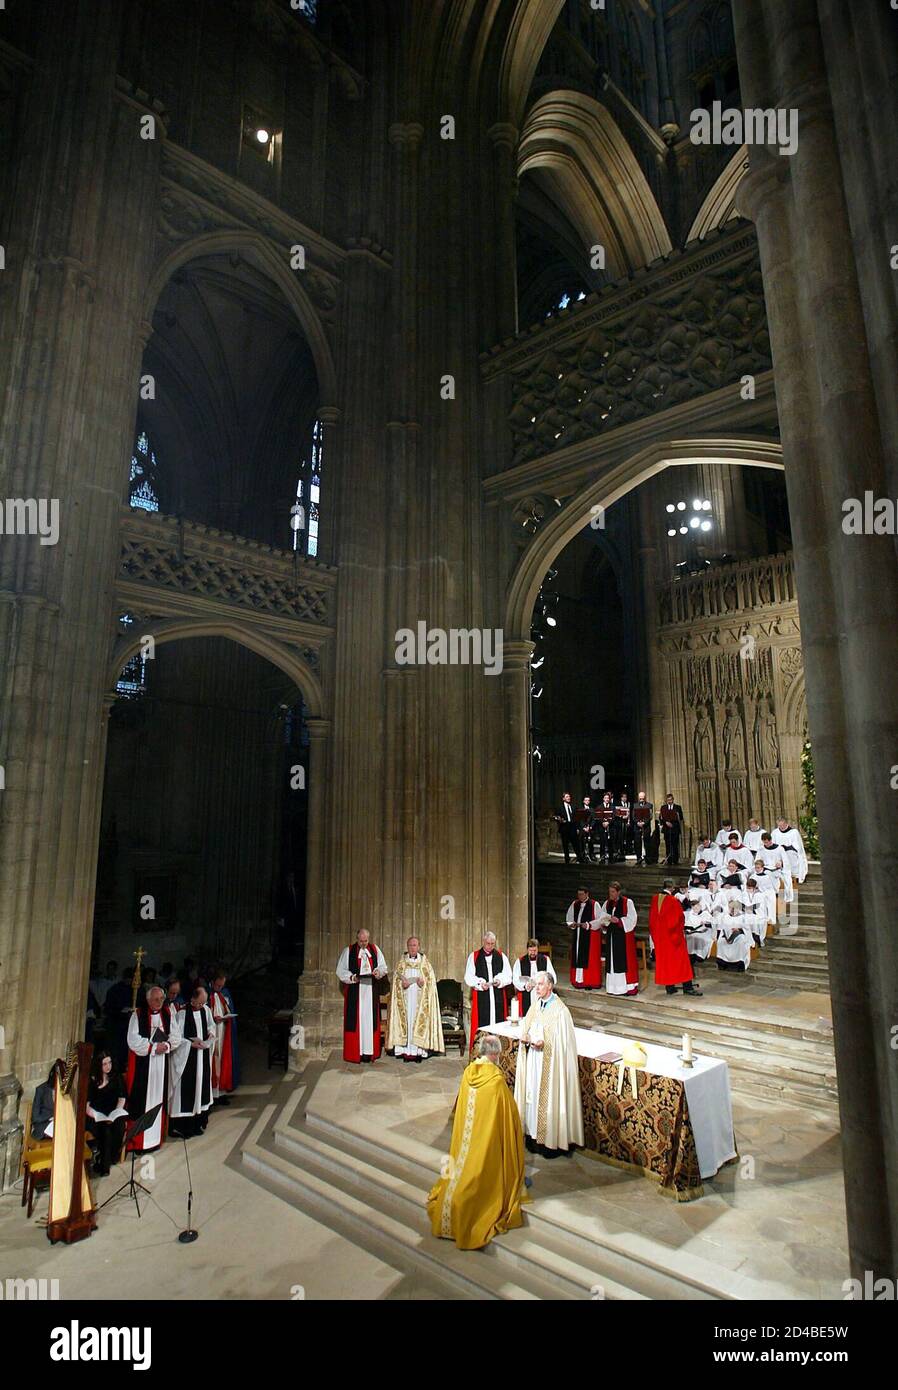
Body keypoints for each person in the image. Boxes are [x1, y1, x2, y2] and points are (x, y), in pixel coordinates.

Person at [426, 1035, 526, 1250]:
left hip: (464, 1144)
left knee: (458, 1176)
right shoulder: (495, 1081)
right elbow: (508, 1117)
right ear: (495, 1054)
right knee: (479, 1183)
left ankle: (451, 1203)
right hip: (484, 1144)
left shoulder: (467, 1073)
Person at [514, 972, 584, 1157]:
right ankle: (533, 1135)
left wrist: (545, 1043)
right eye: (536, 984)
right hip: (534, 1061)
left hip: (551, 1065)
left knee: (548, 1098)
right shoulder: (536, 1005)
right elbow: (527, 1027)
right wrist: (527, 1037)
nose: (536, 987)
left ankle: (549, 1141)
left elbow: (563, 1044)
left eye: (540, 984)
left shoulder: (560, 1011)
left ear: (550, 986)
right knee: (533, 1095)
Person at [126, 983, 181, 1153]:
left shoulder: (168, 1012)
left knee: (158, 1099)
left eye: (162, 999)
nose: (159, 1002)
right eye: (156, 999)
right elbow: (133, 1040)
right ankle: (139, 1142)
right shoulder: (138, 1014)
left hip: (161, 1065)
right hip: (145, 1064)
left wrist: (167, 1045)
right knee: (141, 1101)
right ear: (148, 999)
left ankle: (155, 1139)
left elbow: (176, 1035)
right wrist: (152, 1048)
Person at [387, 936, 444, 1062]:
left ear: (419, 947)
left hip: (420, 999)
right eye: (410, 945)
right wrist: (401, 984)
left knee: (418, 1023)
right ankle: (405, 1051)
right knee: (407, 1023)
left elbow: (431, 982)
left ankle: (419, 1051)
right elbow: (395, 980)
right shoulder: (401, 963)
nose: (412, 948)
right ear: (407, 947)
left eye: (414, 945)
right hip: (406, 998)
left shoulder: (425, 963)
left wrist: (423, 983)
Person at [169, 986, 215, 1138]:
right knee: (187, 1091)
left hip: (202, 1057)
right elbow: (176, 1038)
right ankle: (183, 1126)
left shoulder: (206, 1010)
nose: (202, 1005)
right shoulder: (182, 1014)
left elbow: (211, 1026)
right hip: (188, 1059)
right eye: (199, 1002)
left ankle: (198, 1122)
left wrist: (210, 1034)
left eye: (204, 1002)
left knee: (201, 1088)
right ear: (192, 999)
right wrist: (190, 1044)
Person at [336, 929, 388, 1063]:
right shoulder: (348, 951)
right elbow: (340, 970)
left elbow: (383, 966)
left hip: (371, 991)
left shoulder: (375, 949)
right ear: (357, 939)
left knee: (370, 1021)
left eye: (366, 941)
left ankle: (369, 1053)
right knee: (357, 1022)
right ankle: (356, 1053)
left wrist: (378, 972)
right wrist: (352, 977)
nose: (364, 944)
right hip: (356, 991)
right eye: (361, 941)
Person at [650, 880, 703, 996]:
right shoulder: (672, 901)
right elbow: (678, 919)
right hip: (673, 938)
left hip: (660, 938)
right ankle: (687, 988)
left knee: (666, 963)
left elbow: (652, 919)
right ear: (673, 888)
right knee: (682, 962)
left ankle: (670, 987)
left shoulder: (655, 899)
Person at [464, 932, 512, 1048]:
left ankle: (497, 1053)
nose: (490, 946)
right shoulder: (474, 956)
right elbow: (469, 977)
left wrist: (500, 980)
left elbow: (508, 975)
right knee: (482, 1025)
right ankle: (482, 1054)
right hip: (482, 998)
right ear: (483, 942)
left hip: (497, 997)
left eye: (492, 944)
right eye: (488, 943)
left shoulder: (501, 956)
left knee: (498, 1024)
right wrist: (480, 983)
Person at [86, 1049, 127, 1175]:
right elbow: (87, 1106)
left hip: (112, 1113)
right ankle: (104, 1165)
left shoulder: (116, 1077)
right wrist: (97, 1116)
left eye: (109, 1062)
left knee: (119, 1126)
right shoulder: (92, 1081)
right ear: (99, 1065)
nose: (108, 1066)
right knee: (105, 1131)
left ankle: (109, 1158)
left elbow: (122, 1098)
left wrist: (117, 1111)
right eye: (104, 1064)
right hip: (95, 1116)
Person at [600, 881, 639, 997]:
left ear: (619, 892)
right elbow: (601, 917)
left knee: (623, 961)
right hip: (611, 936)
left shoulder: (627, 902)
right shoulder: (607, 903)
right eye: (609, 892)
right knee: (612, 961)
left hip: (623, 937)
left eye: (613, 892)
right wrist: (604, 922)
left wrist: (619, 921)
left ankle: (626, 987)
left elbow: (632, 919)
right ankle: (613, 987)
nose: (610, 894)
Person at [209, 970, 238, 1101]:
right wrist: (213, 1019)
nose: (220, 988)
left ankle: (221, 1092)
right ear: (212, 982)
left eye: (222, 986)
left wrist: (227, 1017)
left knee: (222, 1060)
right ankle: (211, 1094)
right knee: (213, 1062)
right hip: (212, 1032)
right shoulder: (206, 995)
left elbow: (228, 1008)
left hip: (223, 1031)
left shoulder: (224, 994)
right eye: (218, 986)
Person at [566, 886, 602, 990]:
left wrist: (588, 925)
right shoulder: (575, 904)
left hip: (589, 936)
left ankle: (589, 982)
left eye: (582, 894)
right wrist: (571, 924)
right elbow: (569, 917)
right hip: (577, 936)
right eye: (578, 894)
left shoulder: (594, 904)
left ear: (587, 894)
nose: (580, 896)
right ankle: (578, 981)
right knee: (577, 956)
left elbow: (600, 920)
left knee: (588, 958)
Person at [513, 938, 556, 1015]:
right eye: (530, 951)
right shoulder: (520, 961)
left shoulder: (545, 960)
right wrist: (525, 985)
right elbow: (515, 979)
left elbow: (553, 977)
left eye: (535, 951)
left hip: (541, 993)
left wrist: (545, 983)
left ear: (538, 949)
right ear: (527, 949)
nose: (532, 953)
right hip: (527, 993)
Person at [31, 1061, 65, 1139]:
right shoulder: (41, 1090)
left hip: (59, 1124)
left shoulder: (66, 1091)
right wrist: (52, 1117)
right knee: (59, 1131)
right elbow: (35, 1118)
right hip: (44, 1125)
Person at [716, 899, 752, 971]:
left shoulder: (742, 917)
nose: (732, 910)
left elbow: (747, 929)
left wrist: (739, 929)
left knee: (740, 942)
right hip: (727, 936)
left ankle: (738, 965)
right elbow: (722, 927)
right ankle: (723, 964)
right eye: (730, 908)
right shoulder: (725, 917)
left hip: (739, 935)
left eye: (734, 908)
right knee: (720, 941)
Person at [775, 817, 809, 884]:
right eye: (779, 825)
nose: (781, 827)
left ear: (786, 823)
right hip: (780, 856)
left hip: (792, 855)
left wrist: (786, 847)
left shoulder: (794, 832)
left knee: (791, 859)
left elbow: (798, 847)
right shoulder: (775, 832)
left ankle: (794, 884)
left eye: (782, 825)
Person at [553, 791, 579, 864]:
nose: (569, 798)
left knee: (575, 844)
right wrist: (559, 819)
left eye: (569, 796)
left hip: (572, 827)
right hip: (564, 827)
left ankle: (579, 858)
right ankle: (567, 860)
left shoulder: (573, 807)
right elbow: (556, 816)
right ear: (563, 798)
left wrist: (577, 828)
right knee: (565, 845)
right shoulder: (559, 807)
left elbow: (576, 818)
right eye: (567, 797)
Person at [659, 793, 684, 864]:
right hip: (667, 828)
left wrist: (678, 816)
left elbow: (681, 817)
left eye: (670, 799)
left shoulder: (677, 807)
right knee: (668, 844)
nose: (669, 801)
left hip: (675, 828)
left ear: (673, 799)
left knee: (675, 845)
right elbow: (661, 818)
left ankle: (675, 860)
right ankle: (669, 860)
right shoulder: (663, 807)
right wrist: (666, 822)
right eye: (668, 800)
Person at [632, 791, 653, 866]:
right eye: (640, 798)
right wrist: (638, 823)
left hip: (646, 827)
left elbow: (650, 816)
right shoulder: (635, 805)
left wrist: (644, 823)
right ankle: (639, 858)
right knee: (637, 843)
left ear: (645, 798)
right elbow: (633, 817)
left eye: (643, 798)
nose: (641, 800)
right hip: (637, 827)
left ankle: (648, 858)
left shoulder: (649, 805)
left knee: (647, 842)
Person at [594, 792, 615, 863]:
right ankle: (602, 858)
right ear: (603, 799)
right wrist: (603, 822)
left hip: (610, 827)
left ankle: (611, 859)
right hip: (602, 828)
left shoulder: (612, 807)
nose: (606, 799)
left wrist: (608, 822)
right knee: (602, 843)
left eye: (608, 798)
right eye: (605, 798)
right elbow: (597, 817)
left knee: (610, 844)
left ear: (609, 799)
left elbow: (614, 817)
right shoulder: (599, 807)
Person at [573, 795, 595, 863]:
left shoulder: (592, 809)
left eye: (588, 800)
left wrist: (590, 826)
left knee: (591, 842)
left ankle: (591, 855)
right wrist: (584, 827)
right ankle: (582, 855)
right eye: (586, 800)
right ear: (583, 801)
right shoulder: (580, 809)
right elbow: (579, 820)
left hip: (590, 828)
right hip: (583, 828)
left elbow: (594, 819)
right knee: (581, 842)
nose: (587, 801)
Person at [613, 792, 632, 860]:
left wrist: (628, 820)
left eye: (625, 797)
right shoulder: (617, 804)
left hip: (627, 822)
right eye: (623, 797)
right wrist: (621, 816)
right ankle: (620, 850)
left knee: (627, 836)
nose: (624, 798)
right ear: (621, 798)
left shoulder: (629, 804)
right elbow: (616, 813)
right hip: (620, 822)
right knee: (620, 837)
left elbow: (630, 813)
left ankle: (627, 849)